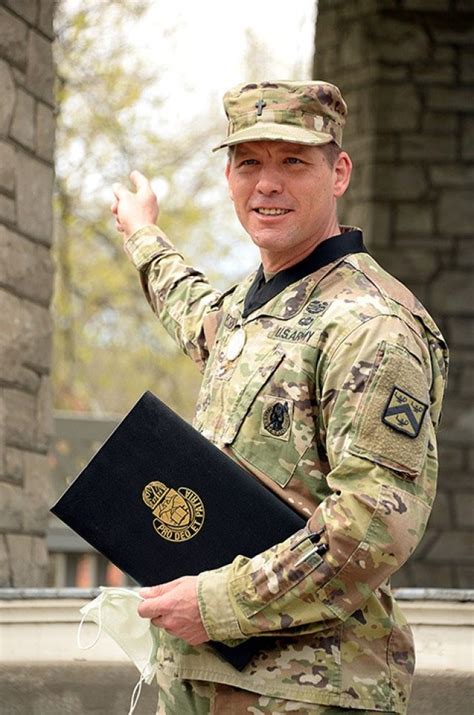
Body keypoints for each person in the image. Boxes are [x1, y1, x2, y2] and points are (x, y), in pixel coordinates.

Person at [111, 81, 448, 715]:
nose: (267, 184)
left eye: (293, 161)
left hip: (309, 690)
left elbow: (372, 527)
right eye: (249, 163)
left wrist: (214, 605)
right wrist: (142, 232)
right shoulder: (251, 309)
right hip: (206, 680)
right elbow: (192, 309)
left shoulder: (369, 323)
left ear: (339, 171)